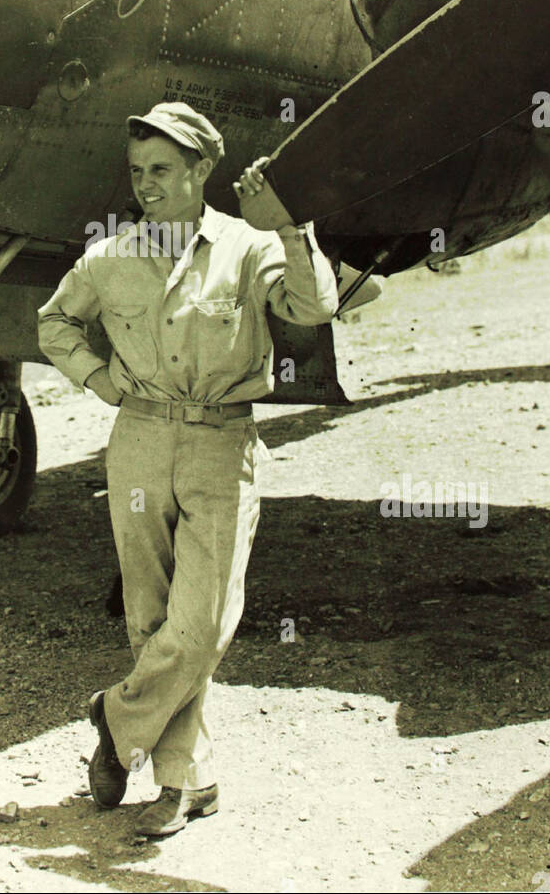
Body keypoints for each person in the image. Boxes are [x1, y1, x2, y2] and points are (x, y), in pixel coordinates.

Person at [36, 102, 338, 836]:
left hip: (221, 445)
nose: (146, 184)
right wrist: (98, 380)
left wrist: (290, 228)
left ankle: (116, 718)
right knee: (150, 618)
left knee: (201, 624)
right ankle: (182, 783)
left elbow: (315, 305)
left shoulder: (248, 246)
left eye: (163, 170)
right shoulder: (110, 256)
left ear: (202, 170)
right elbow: (54, 322)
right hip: (138, 441)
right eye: (138, 171)